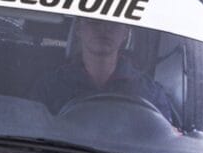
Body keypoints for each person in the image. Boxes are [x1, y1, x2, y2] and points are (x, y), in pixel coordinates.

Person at [45, 17, 183, 127]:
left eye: (114, 22)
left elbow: (163, 144)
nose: (104, 29)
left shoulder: (150, 94)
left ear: (125, 33)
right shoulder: (50, 87)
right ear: (79, 29)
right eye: (94, 21)